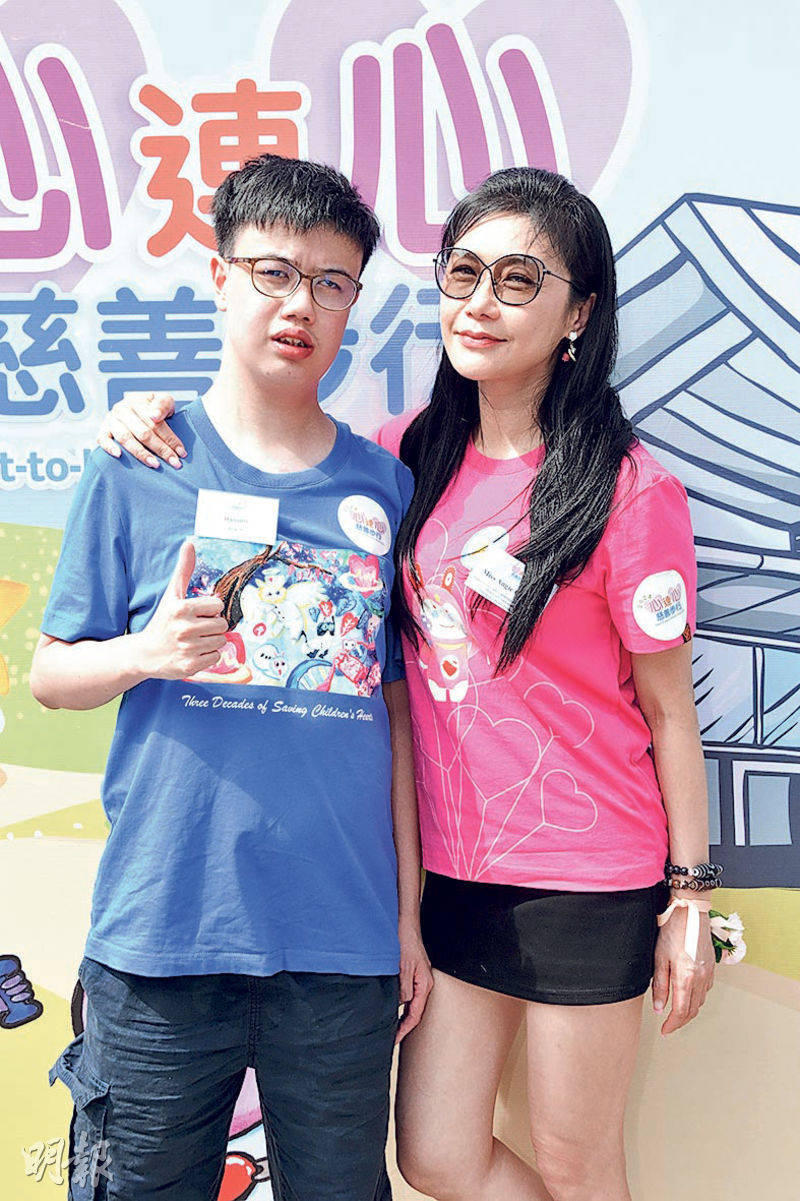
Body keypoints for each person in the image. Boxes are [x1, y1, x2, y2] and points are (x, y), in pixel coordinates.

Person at [96, 166, 718, 1201]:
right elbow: (273, 460)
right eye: (463, 273)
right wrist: (144, 418)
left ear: (578, 312)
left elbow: (669, 708)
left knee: (577, 1161)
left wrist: (688, 896)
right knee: (432, 1153)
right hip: (445, 875)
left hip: (584, 874)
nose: (480, 303)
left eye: (518, 281)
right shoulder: (403, 460)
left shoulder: (628, 489)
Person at [31, 154, 432, 1201]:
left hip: (340, 947)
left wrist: (404, 919)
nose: (300, 305)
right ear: (219, 278)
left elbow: (393, 716)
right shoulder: (138, 460)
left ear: (352, 303)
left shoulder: (386, 487)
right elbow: (50, 674)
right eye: (273, 272)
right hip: (163, 937)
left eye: (331, 282)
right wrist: (148, 652)